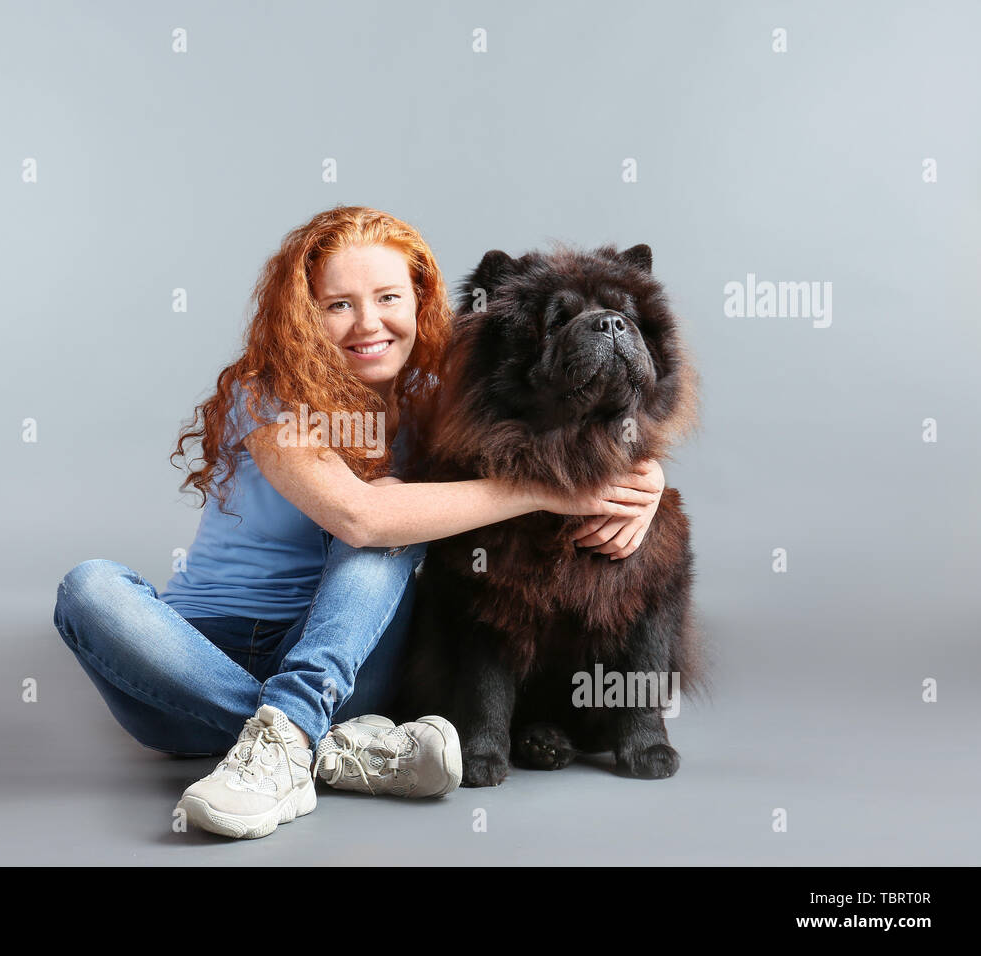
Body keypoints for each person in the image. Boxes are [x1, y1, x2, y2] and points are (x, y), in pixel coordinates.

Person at [52, 205, 665, 839]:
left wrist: (643, 483)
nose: (368, 323)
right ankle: (327, 745)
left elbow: (566, 438)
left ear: (421, 303)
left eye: (389, 297)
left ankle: (286, 740)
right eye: (337, 304)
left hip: (348, 665)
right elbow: (360, 516)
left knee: (393, 512)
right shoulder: (267, 394)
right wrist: (548, 494)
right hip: (192, 664)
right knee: (89, 585)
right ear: (302, 315)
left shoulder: (438, 401)